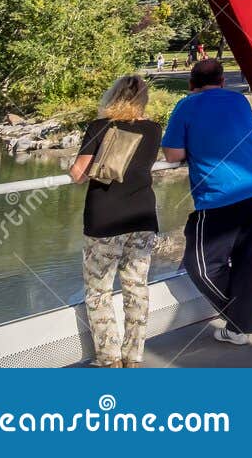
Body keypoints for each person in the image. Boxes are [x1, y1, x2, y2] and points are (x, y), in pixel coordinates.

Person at [161, 58, 252, 346]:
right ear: (223, 81)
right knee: (248, 259)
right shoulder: (238, 101)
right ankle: (242, 323)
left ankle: (239, 318)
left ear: (191, 85)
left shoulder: (186, 105)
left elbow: (173, 155)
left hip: (220, 196)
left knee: (199, 263)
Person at [69, 75, 161, 368]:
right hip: (143, 216)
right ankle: (133, 356)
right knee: (137, 287)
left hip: (105, 219)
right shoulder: (154, 129)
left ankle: (108, 358)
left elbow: (78, 173)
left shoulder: (100, 127)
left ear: (113, 96)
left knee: (99, 291)